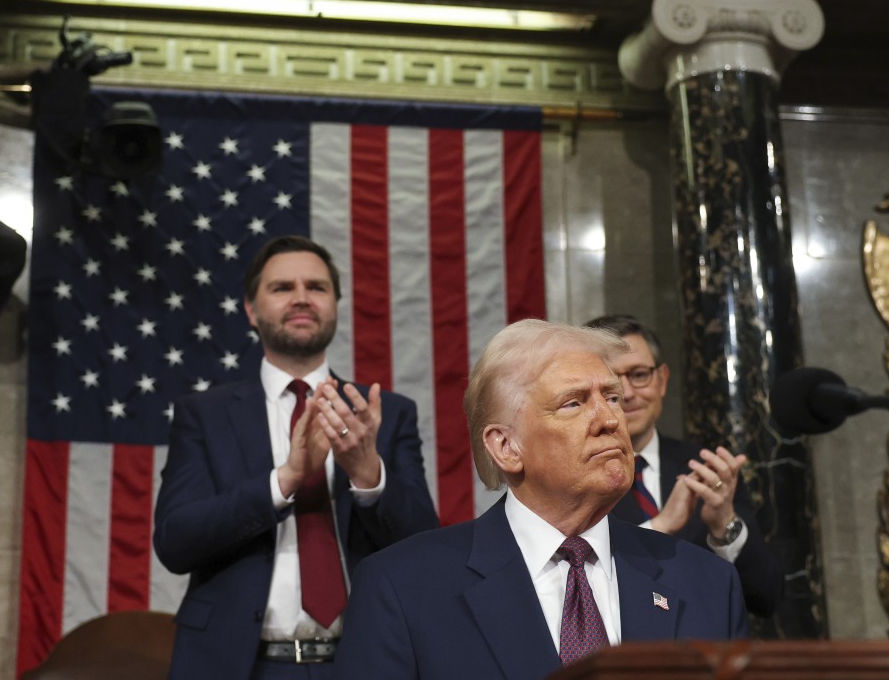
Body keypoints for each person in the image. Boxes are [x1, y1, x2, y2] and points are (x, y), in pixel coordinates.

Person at [334, 320, 747, 680]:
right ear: (506, 447)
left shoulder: (707, 583)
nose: (609, 420)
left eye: (613, 397)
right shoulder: (404, 587)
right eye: (573, 403)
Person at [153, 235, 439, 679]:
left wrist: (368, 476)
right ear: (251, 310)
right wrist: (283, 480)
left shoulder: (384, 414)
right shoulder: (203, 415)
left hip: (363, 662)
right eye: (282, 287)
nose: (302, 298)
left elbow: (425, 549)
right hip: (239, 666)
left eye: (317, 287)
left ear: (336, 305)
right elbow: (175, 542)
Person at [583, 314, 783, 618]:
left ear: (662, 380)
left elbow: (766, 597)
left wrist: (724, 527)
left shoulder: (708, 469)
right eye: (611, 381)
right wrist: (660, 526)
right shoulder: (571, 477)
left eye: (639, 374)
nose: (628, 393)